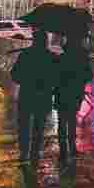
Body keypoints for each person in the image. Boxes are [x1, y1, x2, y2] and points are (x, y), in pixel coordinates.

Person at [10, 28, 59, 163]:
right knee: (39, 125)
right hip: (44, 95)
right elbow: (57, 77)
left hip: (27, 94)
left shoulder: (25, 55)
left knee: (24, 125)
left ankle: (24, 152)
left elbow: (14, 74)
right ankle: (35, 152)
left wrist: (26, 81)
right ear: (45, 41)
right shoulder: (52, 57)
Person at [51, 35, 94, 166]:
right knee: (71, 119)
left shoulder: (60, 59)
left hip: (61, 93)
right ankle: (72, 147)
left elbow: (54, 76)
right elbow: (89, 76)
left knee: (62, 121)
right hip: (75, 93)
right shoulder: (81, 60)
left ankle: (63, 150)